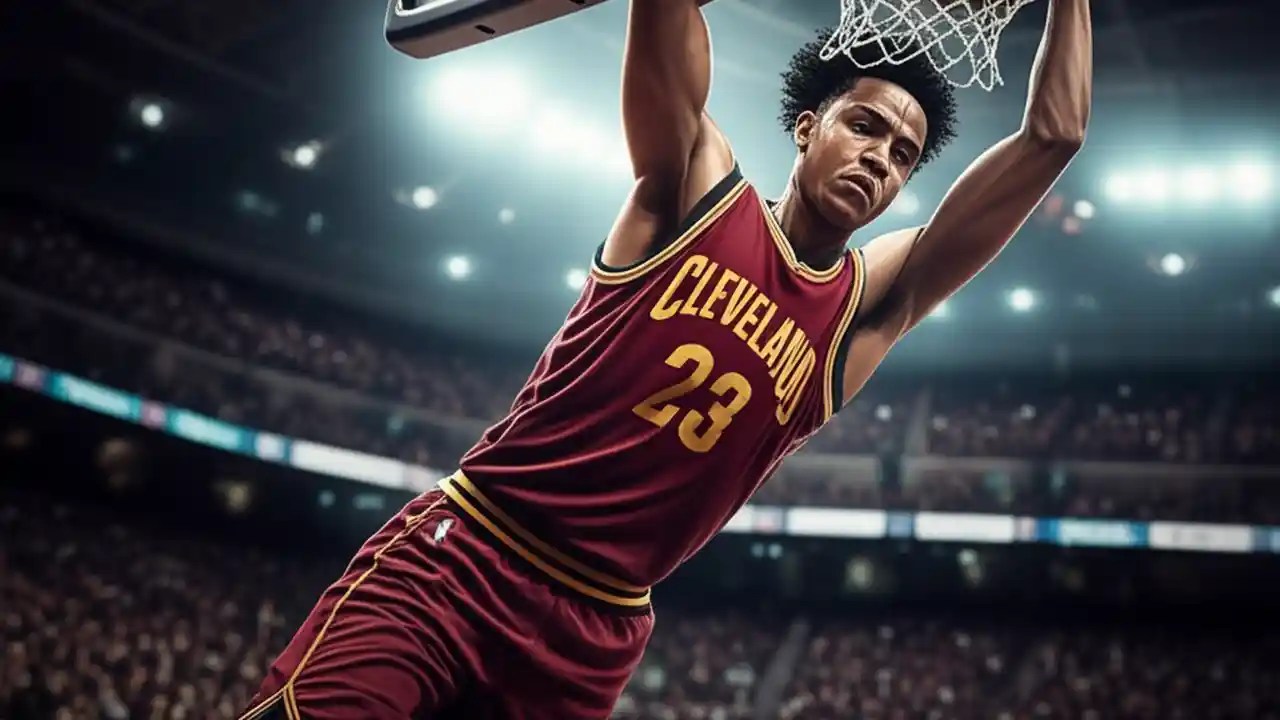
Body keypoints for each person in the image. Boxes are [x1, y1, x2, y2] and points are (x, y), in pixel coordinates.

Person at [240, 0, 1092, 717]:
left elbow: (1054, 135)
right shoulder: (696, 187)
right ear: (806, 127)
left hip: (594, 633)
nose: (879, 157)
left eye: (902, 155)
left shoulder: (867, 310)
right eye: (863, 126)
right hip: (469, 555)